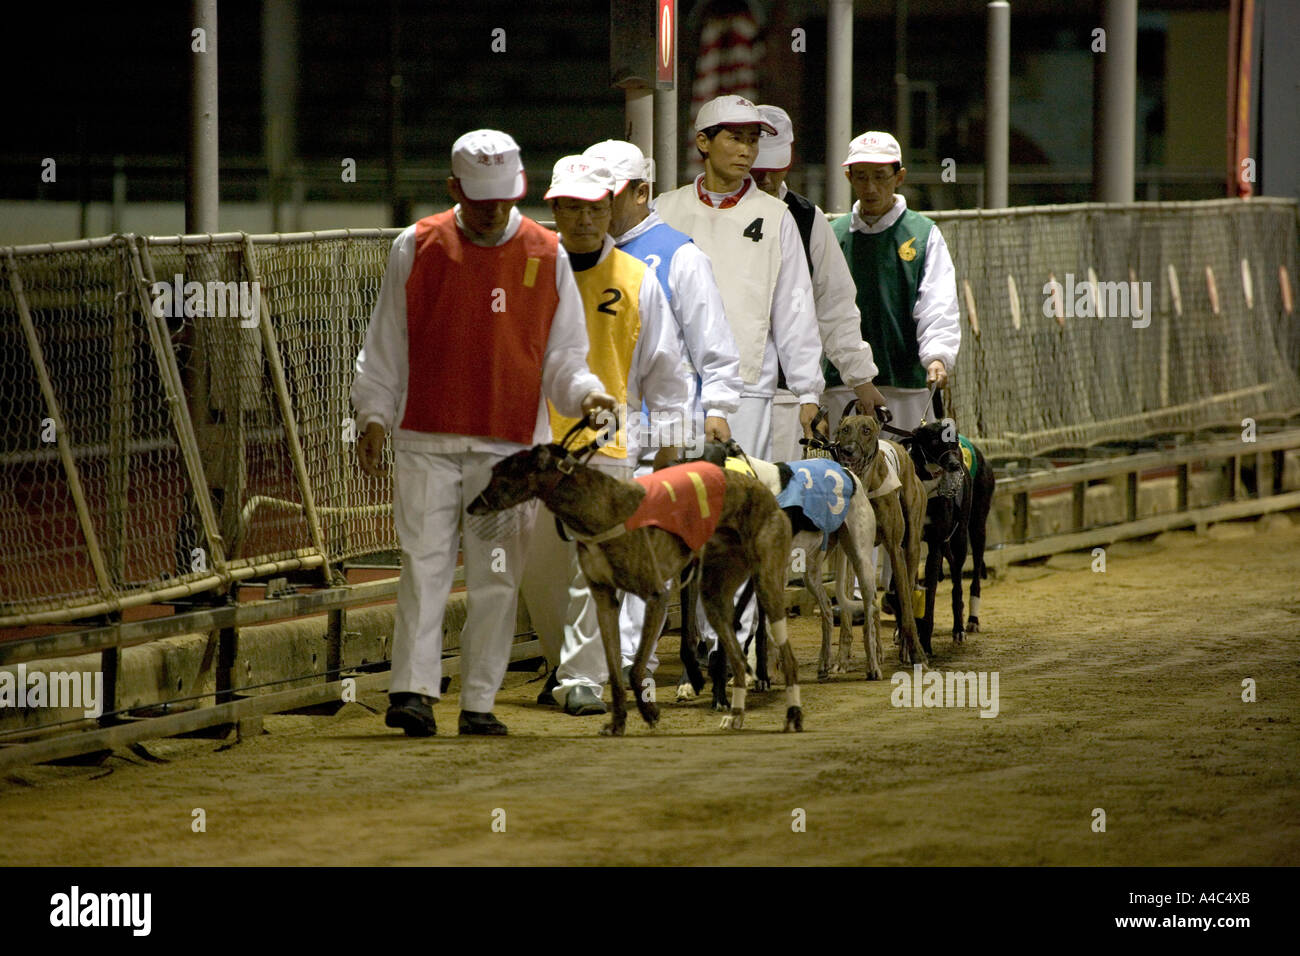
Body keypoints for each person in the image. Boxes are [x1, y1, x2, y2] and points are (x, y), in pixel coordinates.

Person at [351, 130, 615, 737]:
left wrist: (588, 393)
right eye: (480, 199)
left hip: (509, 450)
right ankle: (413, 693)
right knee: (424, 567)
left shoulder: (546, 255)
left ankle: (478, 702)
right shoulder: (416, 247)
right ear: (454, 189)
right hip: (425, 440)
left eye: (504, 198)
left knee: (497, 576)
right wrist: (373, 413)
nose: (494, 210)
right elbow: (386, 346)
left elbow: (565, 357)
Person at [652, 93, 826, 683]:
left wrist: (807, 391)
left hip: (747, 392)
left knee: (740, 528)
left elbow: (794, 307)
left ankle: (740, 655)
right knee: (678, 525)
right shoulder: (664, 211)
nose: (748, 148)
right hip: (671, 395)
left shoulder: (776, 217)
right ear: (702, 142)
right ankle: (688, 652)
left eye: (754, 138)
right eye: (734, 136)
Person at [517, 156, 689, 716]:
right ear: (554, 210)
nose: (585, 220)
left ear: (611, 207)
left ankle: (582, 677)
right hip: (532, 442)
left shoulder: (639, 281)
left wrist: (670, 444)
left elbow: (667, 369)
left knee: (589, 567)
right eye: (572, 208)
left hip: (609, 445)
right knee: (538, 568)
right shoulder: (528, 271)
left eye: (595, 208)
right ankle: (561, 664)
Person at [577, 138, 745, 686]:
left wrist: (717, 408)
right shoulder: (582, 256)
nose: (596, 206)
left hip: (660, 436)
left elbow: (713, 347)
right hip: (599, 434)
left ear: (641, 192)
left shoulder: (680, 254)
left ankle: (634, 662)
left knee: (641, 550)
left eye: (610, 195)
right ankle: (604, 663)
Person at [749, 105, 885, 459]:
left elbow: (834, 303)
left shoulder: (808, 221)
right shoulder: (707, 214)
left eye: (772, 170)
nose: (763, 179)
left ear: (789, 159)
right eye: (756, 170)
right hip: (722, 391)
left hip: (787, 394)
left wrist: (860, 377)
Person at [827, 130, 960, 436]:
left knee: (905, 474)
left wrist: (938, 355)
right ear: (848, 177)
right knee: (849, 476)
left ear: (899, 177)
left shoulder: (923, 234)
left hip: (906, 382)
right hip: (842, 384)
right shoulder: (832, 235)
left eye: (880, 176)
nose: (870, 187)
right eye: (860, 176)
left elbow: (938, 302)